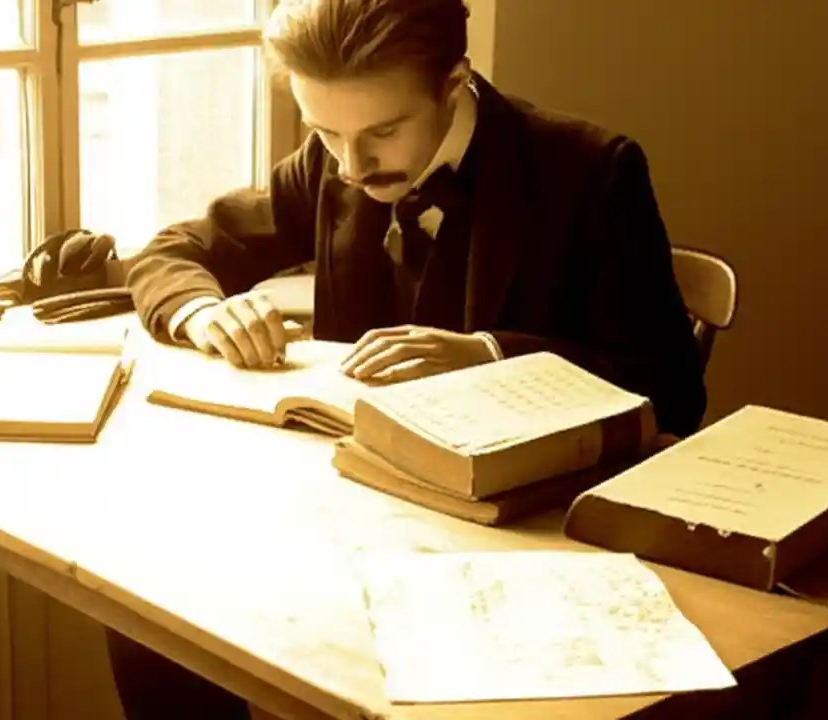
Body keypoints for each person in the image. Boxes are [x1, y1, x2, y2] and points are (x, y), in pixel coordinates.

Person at [111, 0, 707, 717]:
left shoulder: (592, 172)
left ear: (454, 82)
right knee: (150, 619)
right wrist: (203, 311)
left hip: (523, 550)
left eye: (383, 133)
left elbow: (671, 390)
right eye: (325, 132)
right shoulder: (332, 161)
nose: (351, 166)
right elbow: (176, 251)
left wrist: (492, 358)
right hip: (358, 519)